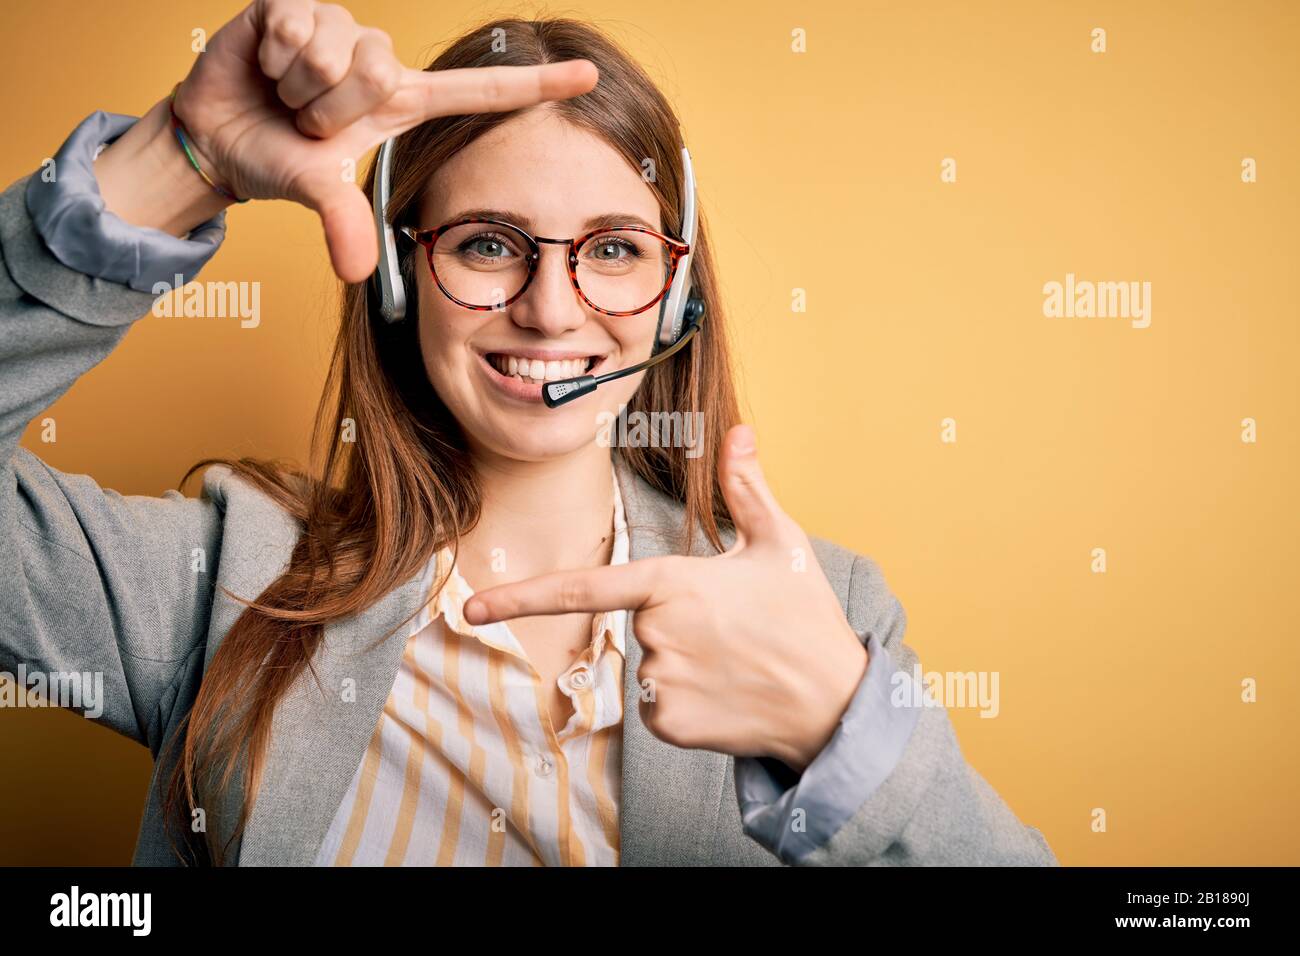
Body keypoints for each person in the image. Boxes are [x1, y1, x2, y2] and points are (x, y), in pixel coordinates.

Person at [0, 0, 1056, 866]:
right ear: (406, 278)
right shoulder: (223, 582)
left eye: (612, 249)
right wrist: (177, 161)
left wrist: (839, 730)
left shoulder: (819, 615)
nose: (551, 309)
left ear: (674, 291)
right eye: (491, 243)